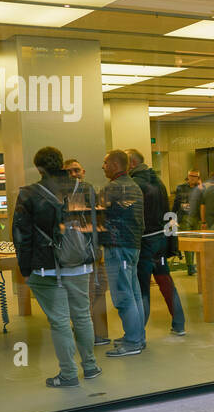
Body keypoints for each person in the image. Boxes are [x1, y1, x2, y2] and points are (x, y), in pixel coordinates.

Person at [13, 147, 100, 387]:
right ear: (61, 163)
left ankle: (69, 374)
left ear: (39, 168)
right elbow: (95, 224)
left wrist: (25, 269)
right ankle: (90, 366)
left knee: (60, 321)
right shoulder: (84, 188)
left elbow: (22, 235)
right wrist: (93, 255)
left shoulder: (29, 194)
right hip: (80, 263)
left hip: (45, 266)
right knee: (82, 316)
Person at [127, 149, 185, 337]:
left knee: (142, 287)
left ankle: (138, 333)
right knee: (165, 281)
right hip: (160, 240)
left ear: (132, 163)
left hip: (145, 241)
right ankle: (179, 324)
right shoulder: (158, 181)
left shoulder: (135, 184)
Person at [100, 149, 146, 357]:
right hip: (133, 246)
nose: (103, 167)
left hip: (118, 247)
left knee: (123, 296)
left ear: (116, 166)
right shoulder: (134, 186)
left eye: (106, 163)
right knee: (134, 293)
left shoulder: (113, 188)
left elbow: (93, 214)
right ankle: (137, 336)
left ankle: (133, 341)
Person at [68, 157, 109, 344]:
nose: (74, 174)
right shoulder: (63, 193)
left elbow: (96, 219)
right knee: (87, 293)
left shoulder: (89, 190)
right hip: (76, 252)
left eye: (77, 170)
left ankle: (91, 331)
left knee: (100, 288)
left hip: (92, 250)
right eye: (70, 171)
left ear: (83, 172)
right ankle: (86, 334)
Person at [172, 169, 202, 275]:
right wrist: (172, 215)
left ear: (198, 178)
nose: (193, 178)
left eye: (195, 176)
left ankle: (193, 265)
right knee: (188, 242)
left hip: (197, 218)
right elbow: (176, 202)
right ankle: (190, 266)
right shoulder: (181, 188)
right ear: (188, 176)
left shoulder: (200, 188)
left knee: (196, 242)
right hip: (184, 217)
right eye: (191, 176)